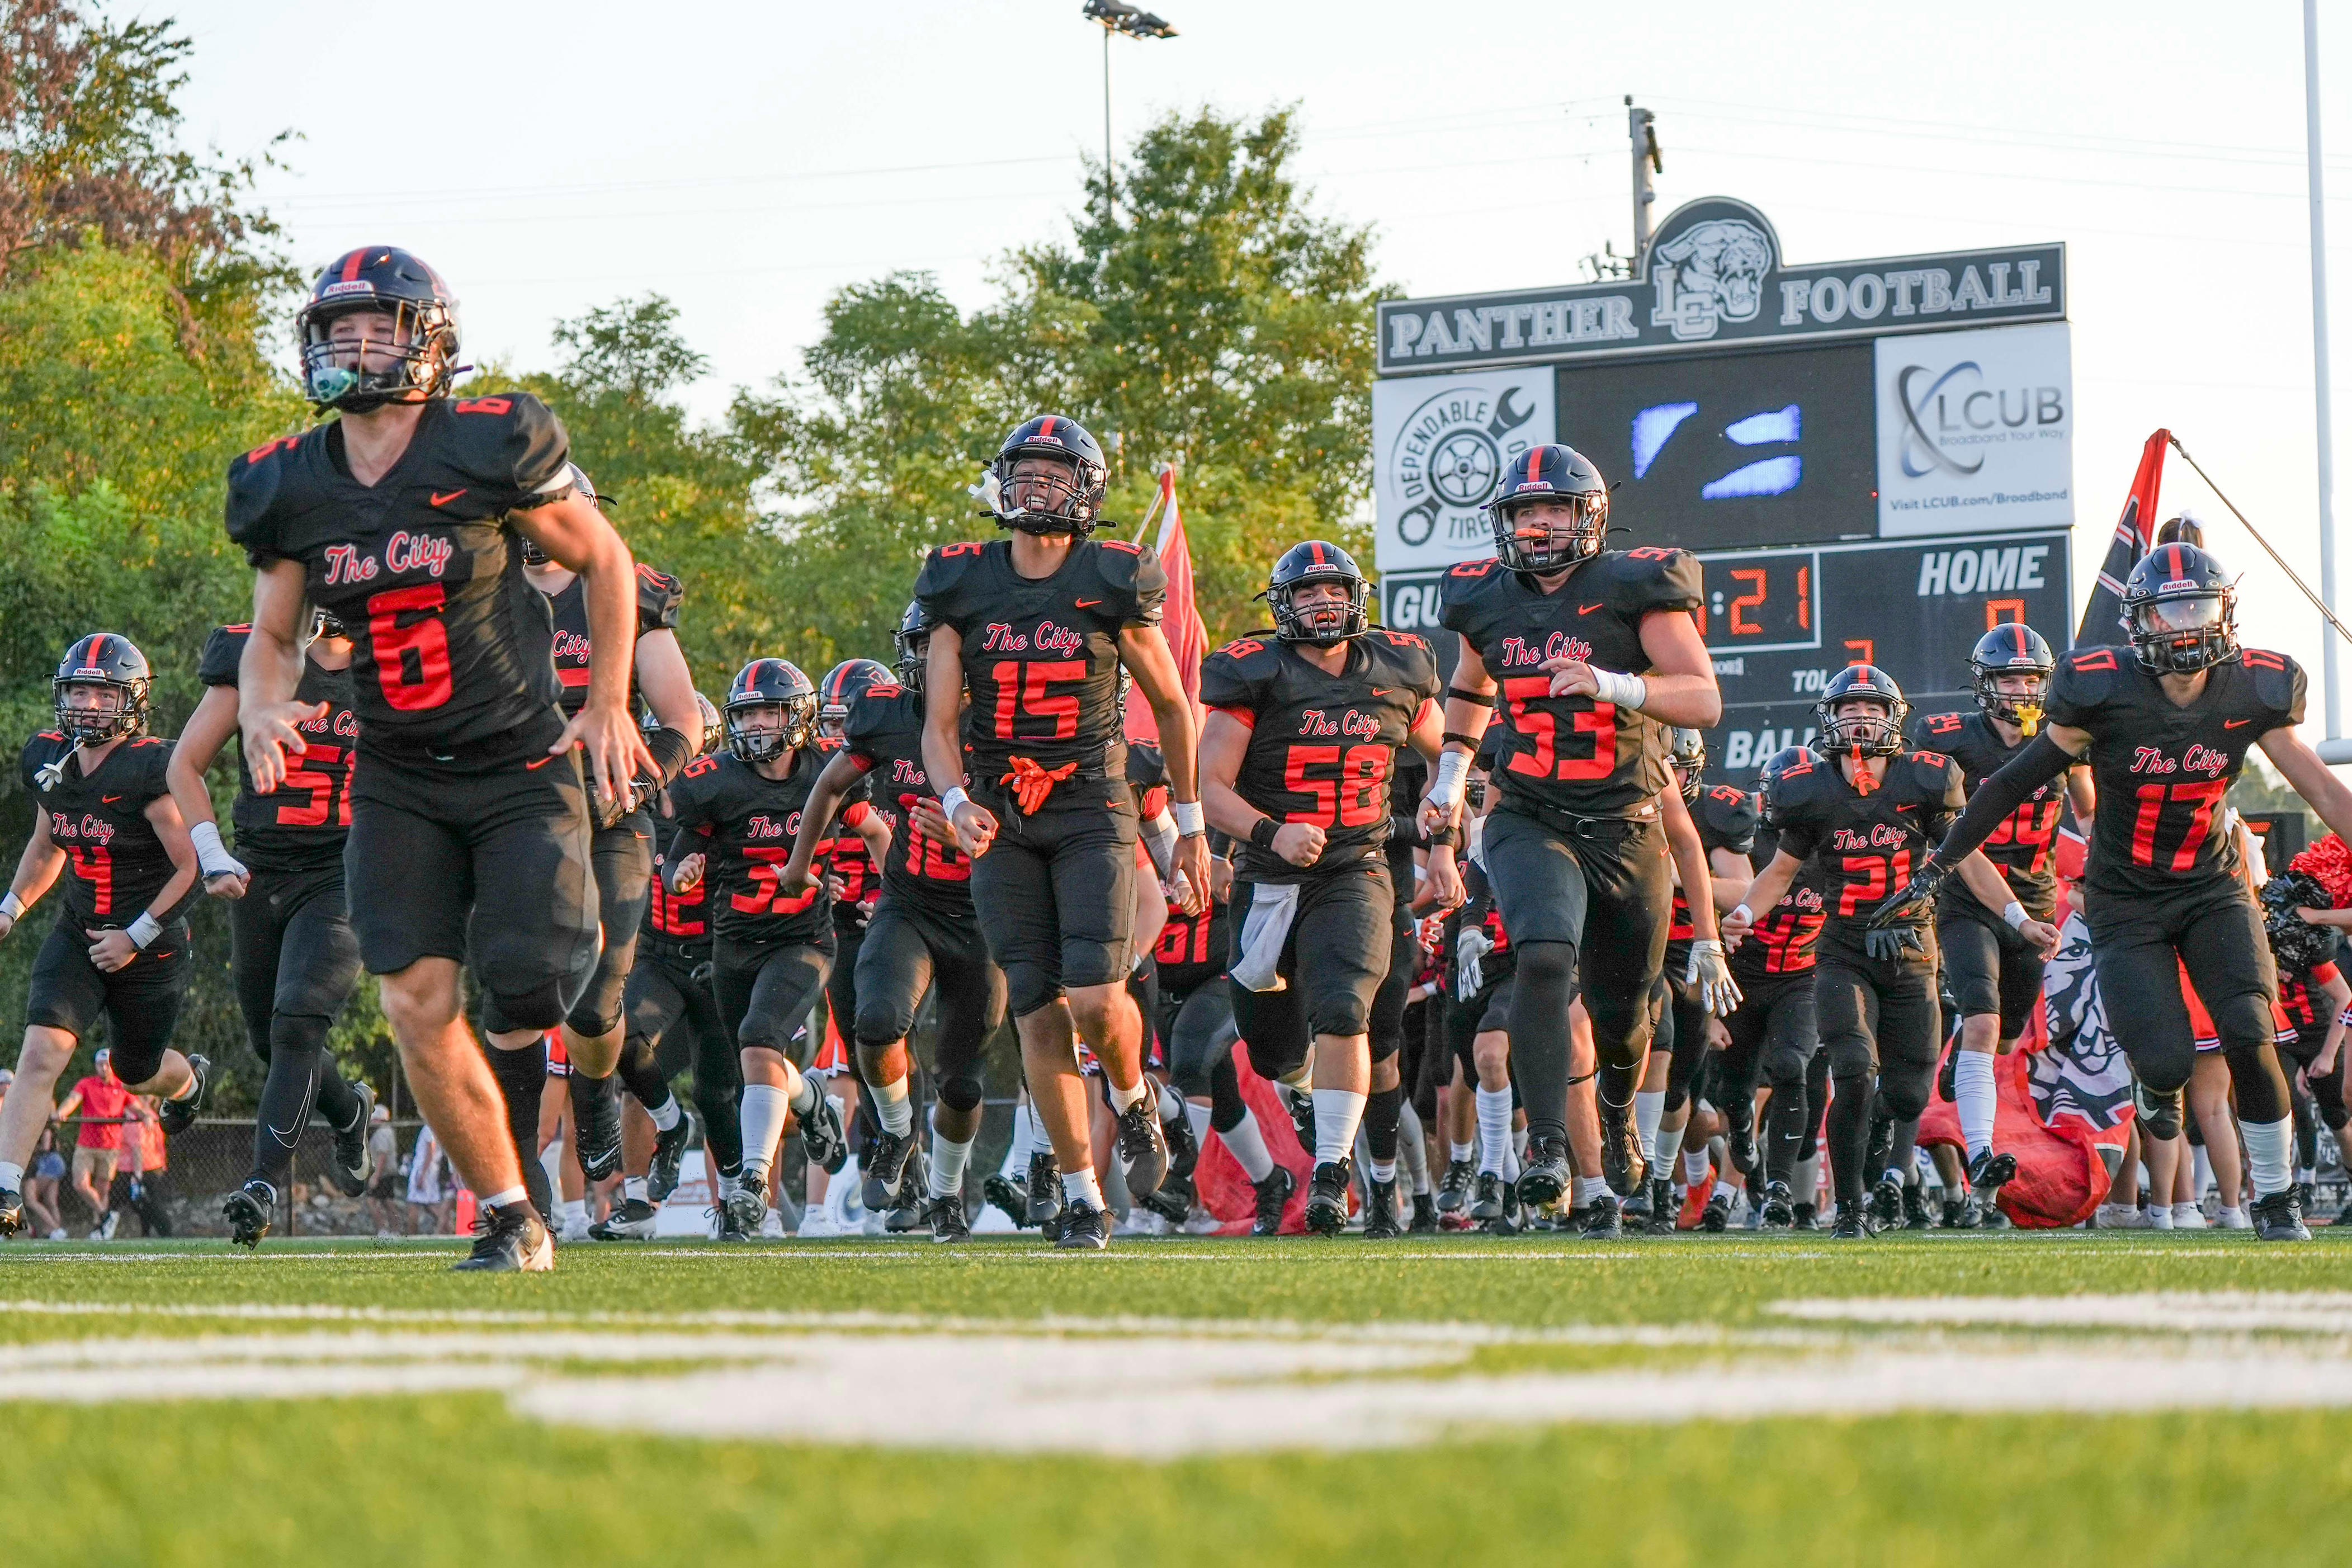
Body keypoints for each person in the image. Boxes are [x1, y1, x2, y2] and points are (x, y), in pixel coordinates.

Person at [223, 247, 658, 1271]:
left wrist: (603, 701)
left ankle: (580, 1083)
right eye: (337, 329)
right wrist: (255, 704)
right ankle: (512, 1212)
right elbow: (275, 634)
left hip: (518, 757)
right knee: (413, 995)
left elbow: (605, 558)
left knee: (529, 978)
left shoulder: (486, 442)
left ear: (429, 341)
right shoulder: (287, 482)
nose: (354, 346)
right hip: (398, 769)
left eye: (379, 327)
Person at [1877, 542, 2352, 1240]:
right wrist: (1937, 866)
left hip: (2213, 886)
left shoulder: (2256, 685)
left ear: (2225, 613)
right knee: (2163, 1059)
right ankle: (2154, 1087)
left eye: (2198, 607)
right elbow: (2009, 784)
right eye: (2170, 610)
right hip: (2126, 899)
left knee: (2251, 1031)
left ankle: (2275, 1199)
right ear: (2139, 623)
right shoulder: (2100, 690)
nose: (2186, 626)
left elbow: (2318, 786)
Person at [914, 414, 1210, 1251]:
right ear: (1001, 482)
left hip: (1091, 803)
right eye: (1026, 471)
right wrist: (954, 794)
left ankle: (1133, 1097)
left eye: (1056, 472)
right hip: (1000, 812)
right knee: (1036, 1013)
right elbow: (939, 724)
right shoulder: (958, 581)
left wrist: (1187, 828)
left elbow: (1174, 709)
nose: (1038, 486)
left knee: (1092, 996)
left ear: (1086, 491)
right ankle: (1082, 1197)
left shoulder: (1112, 576)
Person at [1424, 443, 1724, 1207]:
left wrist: (1610, 684)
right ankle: (1549, 1145)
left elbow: (1700, 699)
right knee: (1544, 957)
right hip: (1531, 811)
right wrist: (1453, 778)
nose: (1538, 526)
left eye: (1553, 509)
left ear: (1587, 516)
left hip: (1624, 820)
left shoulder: (1634, 587)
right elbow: (1469, 688)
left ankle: (1617, 1111)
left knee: (1626, 1017)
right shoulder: (1484, 597)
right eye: (1525, 513)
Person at [1726, 666, 2057, 1239]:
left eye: (1870, 708)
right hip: (1844, 951)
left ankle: (1880, 1137)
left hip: (1911, 950)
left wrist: (2019, 918)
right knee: (1854, 1069)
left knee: (1905, 1096)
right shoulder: (1811, 788)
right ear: (1829, 719)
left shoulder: (1925, 779)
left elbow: (1969, 859)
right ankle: (1851, 1206)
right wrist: (1744, 913)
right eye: (1848, 709)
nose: (1859, 719)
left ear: (1893, 718)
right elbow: (1780, 871)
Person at [1198, 540, 1460, 1235]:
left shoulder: (1400, 666)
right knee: (1273, 1050)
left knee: (1346, 1005)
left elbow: (1451, 757)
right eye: (1306, 591)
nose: (1320, 602)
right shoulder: (1251, 672)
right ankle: (1309, 1093)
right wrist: (1269, 832)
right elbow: (1211, 789)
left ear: (1356, 598)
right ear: (1283, 605)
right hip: (1269, 874)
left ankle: (1332, 1170)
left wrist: (1443, 839)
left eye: (1331, 589)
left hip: (1357, 867)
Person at [781, 608, 1006, 1242]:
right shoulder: (886, 714)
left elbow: (1034, 829)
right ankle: (898, 1131)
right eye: (922, 645)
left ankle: (945, 1193)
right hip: (908, 902)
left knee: (962, 1081)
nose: (932, 659)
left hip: (984, 911)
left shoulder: (1004, 725)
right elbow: (829, 785)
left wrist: (974, 841)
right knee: (876, 1022)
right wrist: (799, 867)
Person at [168, 612, 378, 1248]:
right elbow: (184, 764)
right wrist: (211, 849)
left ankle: (261, 1184)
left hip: (344, 870)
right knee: (271, 1040)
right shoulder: (252, 652)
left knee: (298, 1022)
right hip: (258, 867)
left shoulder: (399, 660)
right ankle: (350, 1109)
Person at [518, 471, 703, 1193]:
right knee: (527, 981)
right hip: (522, 816)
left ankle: (598, 1105)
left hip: (611, 817)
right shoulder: (484, 590)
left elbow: (683, 717)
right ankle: (528, 1179)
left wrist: (643, 782)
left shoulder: (623, 585)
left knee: (598, 1001)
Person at [668, 659, 885, 1236]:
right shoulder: (716, 779)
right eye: (748, 712)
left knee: (759, 1039)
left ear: (798, 715)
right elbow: (679, 856)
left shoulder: (826, 769)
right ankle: (810, 1098)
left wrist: (895, 902)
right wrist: (680, 872)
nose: (759, 722)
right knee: (753, 1065)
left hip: (803, 938)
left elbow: (876, 830)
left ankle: (751, 1186)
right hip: (734, 942)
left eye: (771, 709)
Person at [0, 636, 206, 1238]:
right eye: (79, 690)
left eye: (103, 691)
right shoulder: (50, 756)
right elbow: (47, 844)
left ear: (132, 699)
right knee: (43, 1050)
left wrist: (135, 937)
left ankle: (188, 1079)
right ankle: (7, 1186)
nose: (89, 704)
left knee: (134, 1070)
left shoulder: (151, 768)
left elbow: (191, 867)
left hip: (153, 940)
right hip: (79, 928)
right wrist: (11, 906)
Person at [1907, 623, 2095, 1213]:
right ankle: (1983, 1153)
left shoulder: (2065, 740)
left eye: (2031, 678)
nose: (2022, 688)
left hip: (2037, 901)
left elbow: (2092, 816)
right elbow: (1946, 836)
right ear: (1986, 684)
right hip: (1968, 899)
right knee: (1986, 1022)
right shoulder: (1950, 742)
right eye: (2010, 677)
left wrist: (2094, 878)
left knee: (2007, 1033)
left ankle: (1964, 1048)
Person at [596, 695, 729, 1240]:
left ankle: (741, 1203)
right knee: (626, 1052)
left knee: (722, 1092)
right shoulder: (631, 812)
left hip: (722, 961)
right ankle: (638, 1202)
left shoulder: (734, 808)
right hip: (661, 956)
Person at [56, 1047, 136, 1237]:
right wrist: (63, 1112)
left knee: (103, 1189)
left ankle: (99, 1227)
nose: (104, 1068)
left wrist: (147, 1117)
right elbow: (73, 1099)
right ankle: (106, 1215)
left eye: (107, 1064)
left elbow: (137, 1107)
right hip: (86, 1145)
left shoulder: (121, 1087)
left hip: (110, 1146)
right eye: (100, 1064)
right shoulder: (87, 1084)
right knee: (80, 1184)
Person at [26, 1126, 67, 1240]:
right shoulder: (51, 1128)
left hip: (48, 1163)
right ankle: (54, 1233)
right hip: (55, 1162)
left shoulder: (45, 1127)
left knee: (31, 1200)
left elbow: (46, 1147)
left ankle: (55, 1228)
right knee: (50, 1201)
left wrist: (31, 1149)